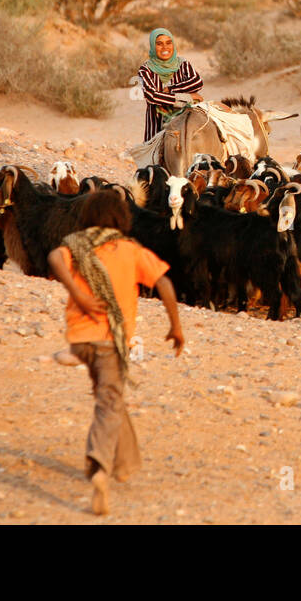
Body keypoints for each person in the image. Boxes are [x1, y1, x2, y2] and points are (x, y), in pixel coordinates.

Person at [47, 189, 185, 516]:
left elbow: (53, 257)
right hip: (110, 341)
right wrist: (175, 326)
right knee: (109, 400)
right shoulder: (129, 250)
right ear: (123, 218)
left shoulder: (77, 245)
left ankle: (126, 463)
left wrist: (77, 294)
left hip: (80, 340)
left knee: (110, 396)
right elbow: (164, 283)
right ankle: (99, 463)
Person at [139, 28, 203, 141]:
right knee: (153, 157)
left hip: (184, 125)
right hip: (156, 127)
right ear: (153, 47)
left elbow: (197, 83)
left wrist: (170, 89)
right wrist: (186, 97)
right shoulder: (145, 69)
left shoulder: (183, 64)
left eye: (169, 43)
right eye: (159, 44)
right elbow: (152, 96)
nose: (165, 47)